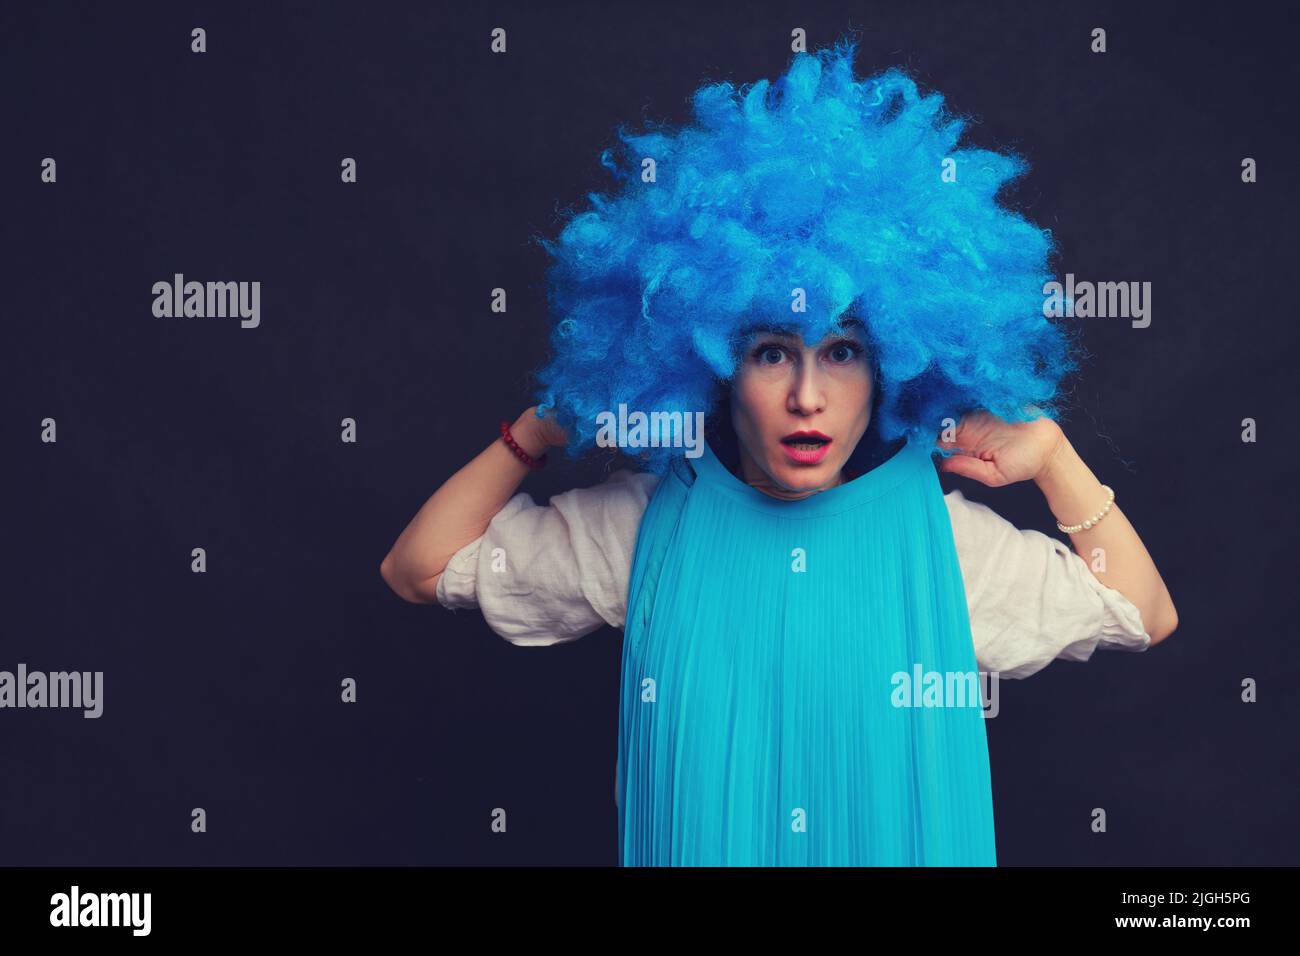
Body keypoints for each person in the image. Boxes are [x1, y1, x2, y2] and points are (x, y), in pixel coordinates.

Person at [381, 37, 1178, 865]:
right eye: (771, 352)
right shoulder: (649, 527)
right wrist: (544, 428)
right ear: (713, 367)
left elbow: (1143, 614)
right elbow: (420, 567)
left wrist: (1053, 461)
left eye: (842, 352)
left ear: (892, 368)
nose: (808, 396)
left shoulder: (941, 546)